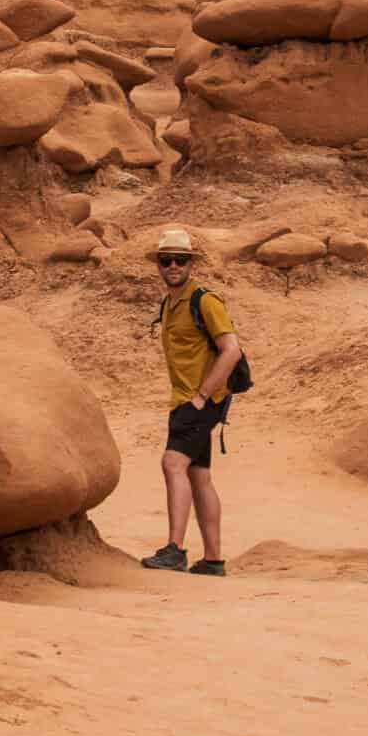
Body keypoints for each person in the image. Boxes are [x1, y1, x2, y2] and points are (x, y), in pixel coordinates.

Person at [141, 227, 240, 575]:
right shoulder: (171, 302)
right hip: (186, 400)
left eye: (180, 260)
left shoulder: (204, 299)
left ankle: (175, 550)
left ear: (190, 264)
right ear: (158, 264)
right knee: (199, 476)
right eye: (166, 260)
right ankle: (213, 560)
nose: (173, 266)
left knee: (172, 464)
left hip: (197, 401)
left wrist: (201, 397)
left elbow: (231, 350)